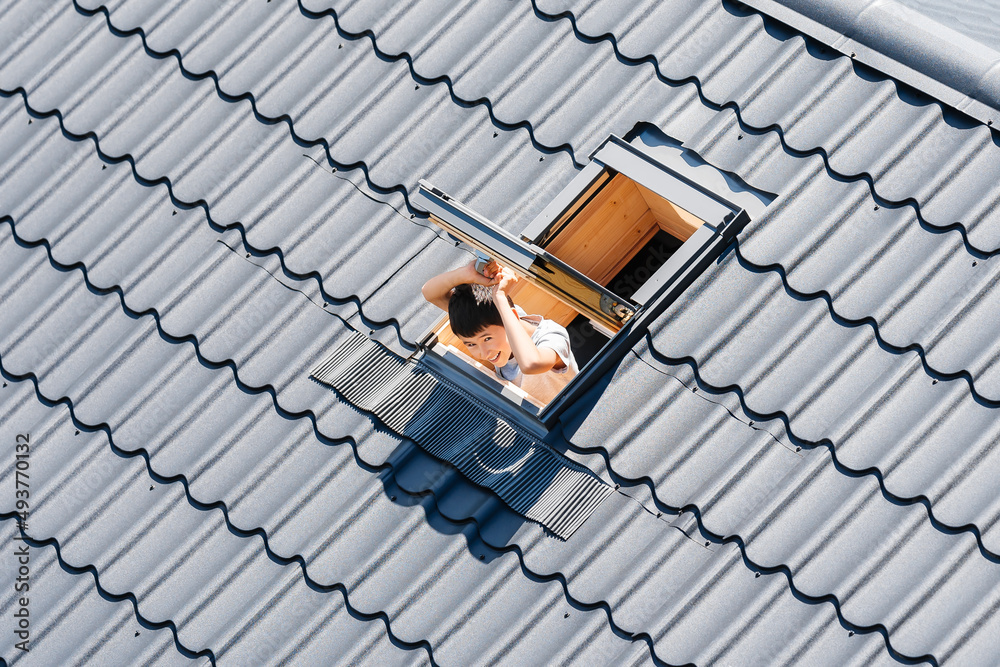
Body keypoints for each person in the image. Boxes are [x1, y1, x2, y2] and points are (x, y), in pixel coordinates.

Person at [421, 259, 579, 404]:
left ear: (512, 317)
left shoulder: (551, 335)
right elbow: (430, 293)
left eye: (487, 339)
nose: (484, 353)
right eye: (470, 344)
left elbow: (531, 364)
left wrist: (500, 296)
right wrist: (466, 273)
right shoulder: (493, 317)